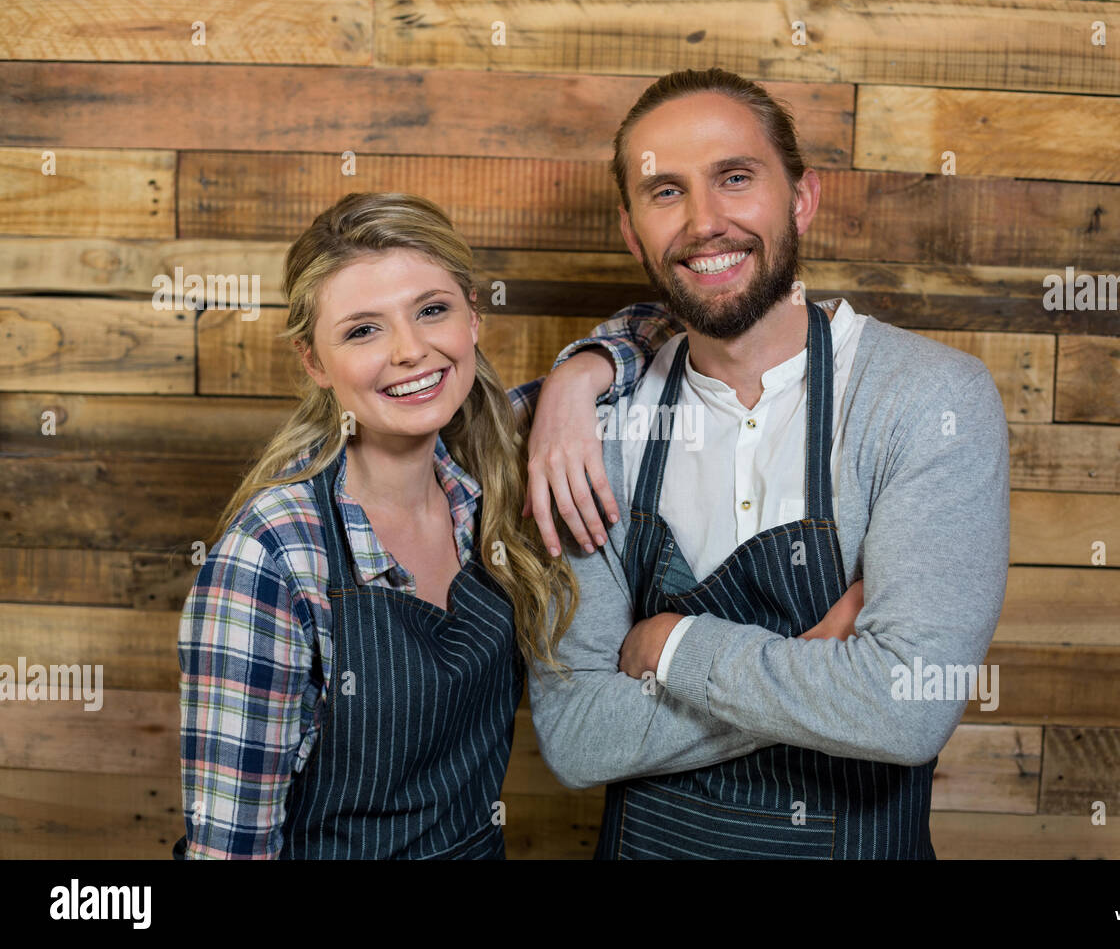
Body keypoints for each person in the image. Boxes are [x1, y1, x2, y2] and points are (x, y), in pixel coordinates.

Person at [526, 69, 1011, 859]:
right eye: (665, 193)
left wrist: (675, 647)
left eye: (736, 178)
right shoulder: (591, 434)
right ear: (631, 230)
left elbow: (907, 709)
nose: (704, 222)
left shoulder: (926, 400)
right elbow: (581, 738)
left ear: (802, 198)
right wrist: (826, 675)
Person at [177, 191, 673, 859]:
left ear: (472, 317)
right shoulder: (271, 556)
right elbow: (228, 852)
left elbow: (661, 320)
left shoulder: (487, 465)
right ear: (314, 362)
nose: (411, 351)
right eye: (362, 330)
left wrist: (572, 385)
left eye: (432, 311)